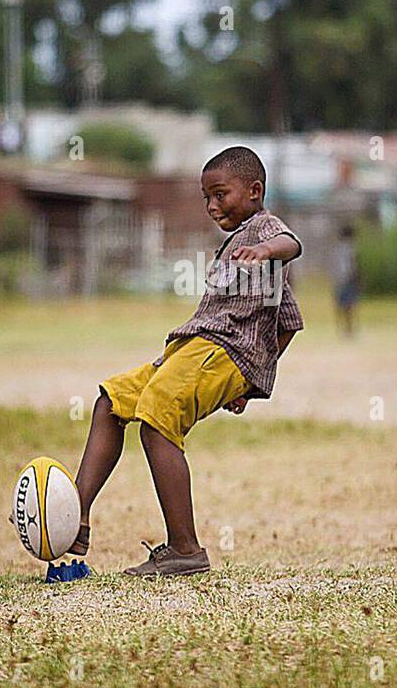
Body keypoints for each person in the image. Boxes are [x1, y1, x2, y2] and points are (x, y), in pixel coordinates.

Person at [68, 146, 303, 576]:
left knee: (158, 419)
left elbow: (292, 243)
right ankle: (74, 516)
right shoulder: (236, 245)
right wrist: (251, 381)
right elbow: (288, 321)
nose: (212, 206)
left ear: (254, 191)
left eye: (220, 194)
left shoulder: (263, 230)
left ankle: (185, 549)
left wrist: (267, 250)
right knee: (111, 401)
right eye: (206, 197)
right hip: (193, 349)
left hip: (223, 351)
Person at [330, 223, 360, 337]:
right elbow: (353, 265)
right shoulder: (351, 249)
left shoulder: (336, 249)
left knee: (341, 305)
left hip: (338, 279)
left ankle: (341, 328)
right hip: (348, 279)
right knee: (350, 305)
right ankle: (349, 329)